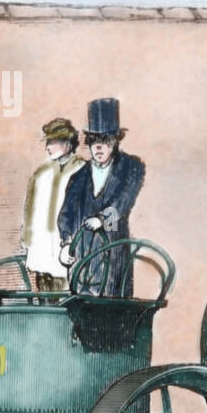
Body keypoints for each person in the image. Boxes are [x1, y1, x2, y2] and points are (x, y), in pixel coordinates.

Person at [57, 98, 146, 296]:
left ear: (115, 142)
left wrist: (103, 218)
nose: (99, 147)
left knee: (113, 311)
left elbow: (124, 201)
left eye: (105, 141)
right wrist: (65, 243)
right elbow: (66, 215)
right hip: (82, 262)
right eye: (94, 141)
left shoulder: (131, 167)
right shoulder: (78, 178)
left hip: (113, 257)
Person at [20, 118, 86, 291]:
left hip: (68, 245)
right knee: (44, 292)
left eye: (52, 142)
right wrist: (27, 236)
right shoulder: (41, 173)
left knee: (67, 293)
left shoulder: (83, 169)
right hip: (41, 244)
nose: (47, 147)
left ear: (67, 143)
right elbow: (29, 208)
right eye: (47, 142)